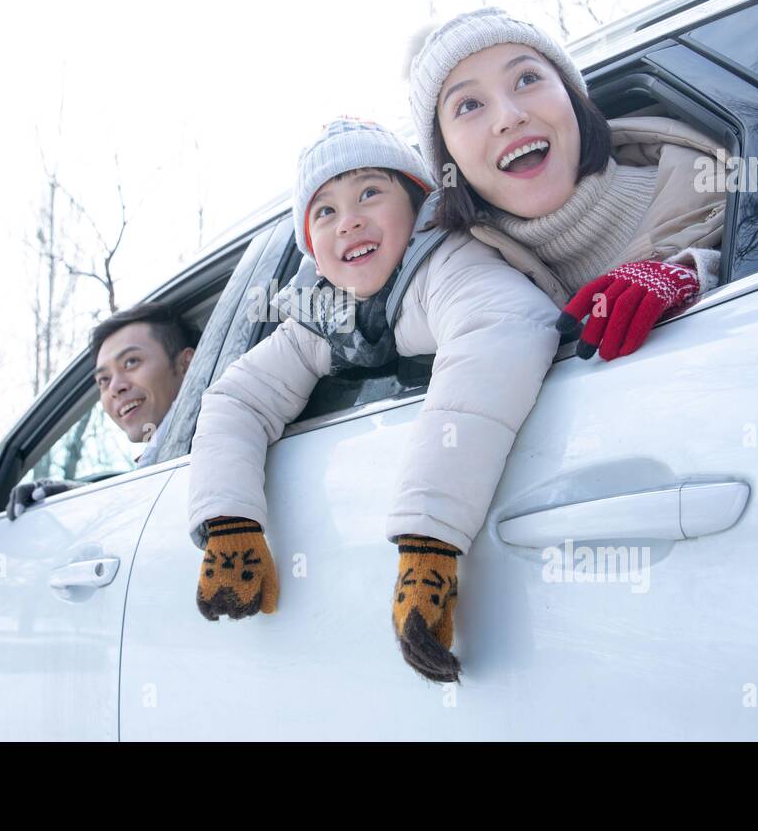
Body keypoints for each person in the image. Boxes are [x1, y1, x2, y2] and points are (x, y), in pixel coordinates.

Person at [188, 117, 560, 683]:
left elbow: (497, 338)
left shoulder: (451, 264)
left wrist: (428, 542)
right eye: (325, 212)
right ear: (311, 248)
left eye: (369, 192)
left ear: (418, 205)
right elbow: (234, 400)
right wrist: (230, 521)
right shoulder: (319, 317)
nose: (350, 220)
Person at [408, 6, 726, 360]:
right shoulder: (466, 290)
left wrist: (703, 272)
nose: (510, 117)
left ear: (572, 96)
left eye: (527, 79)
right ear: (446, 155)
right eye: (468, 105)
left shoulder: (735, 180)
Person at [7, 302, 199, 519]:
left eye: (131, 362)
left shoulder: (211, 445)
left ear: (187, 364)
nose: (115, 388)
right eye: (103, 380)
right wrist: (77, 495)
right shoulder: (167, 460)